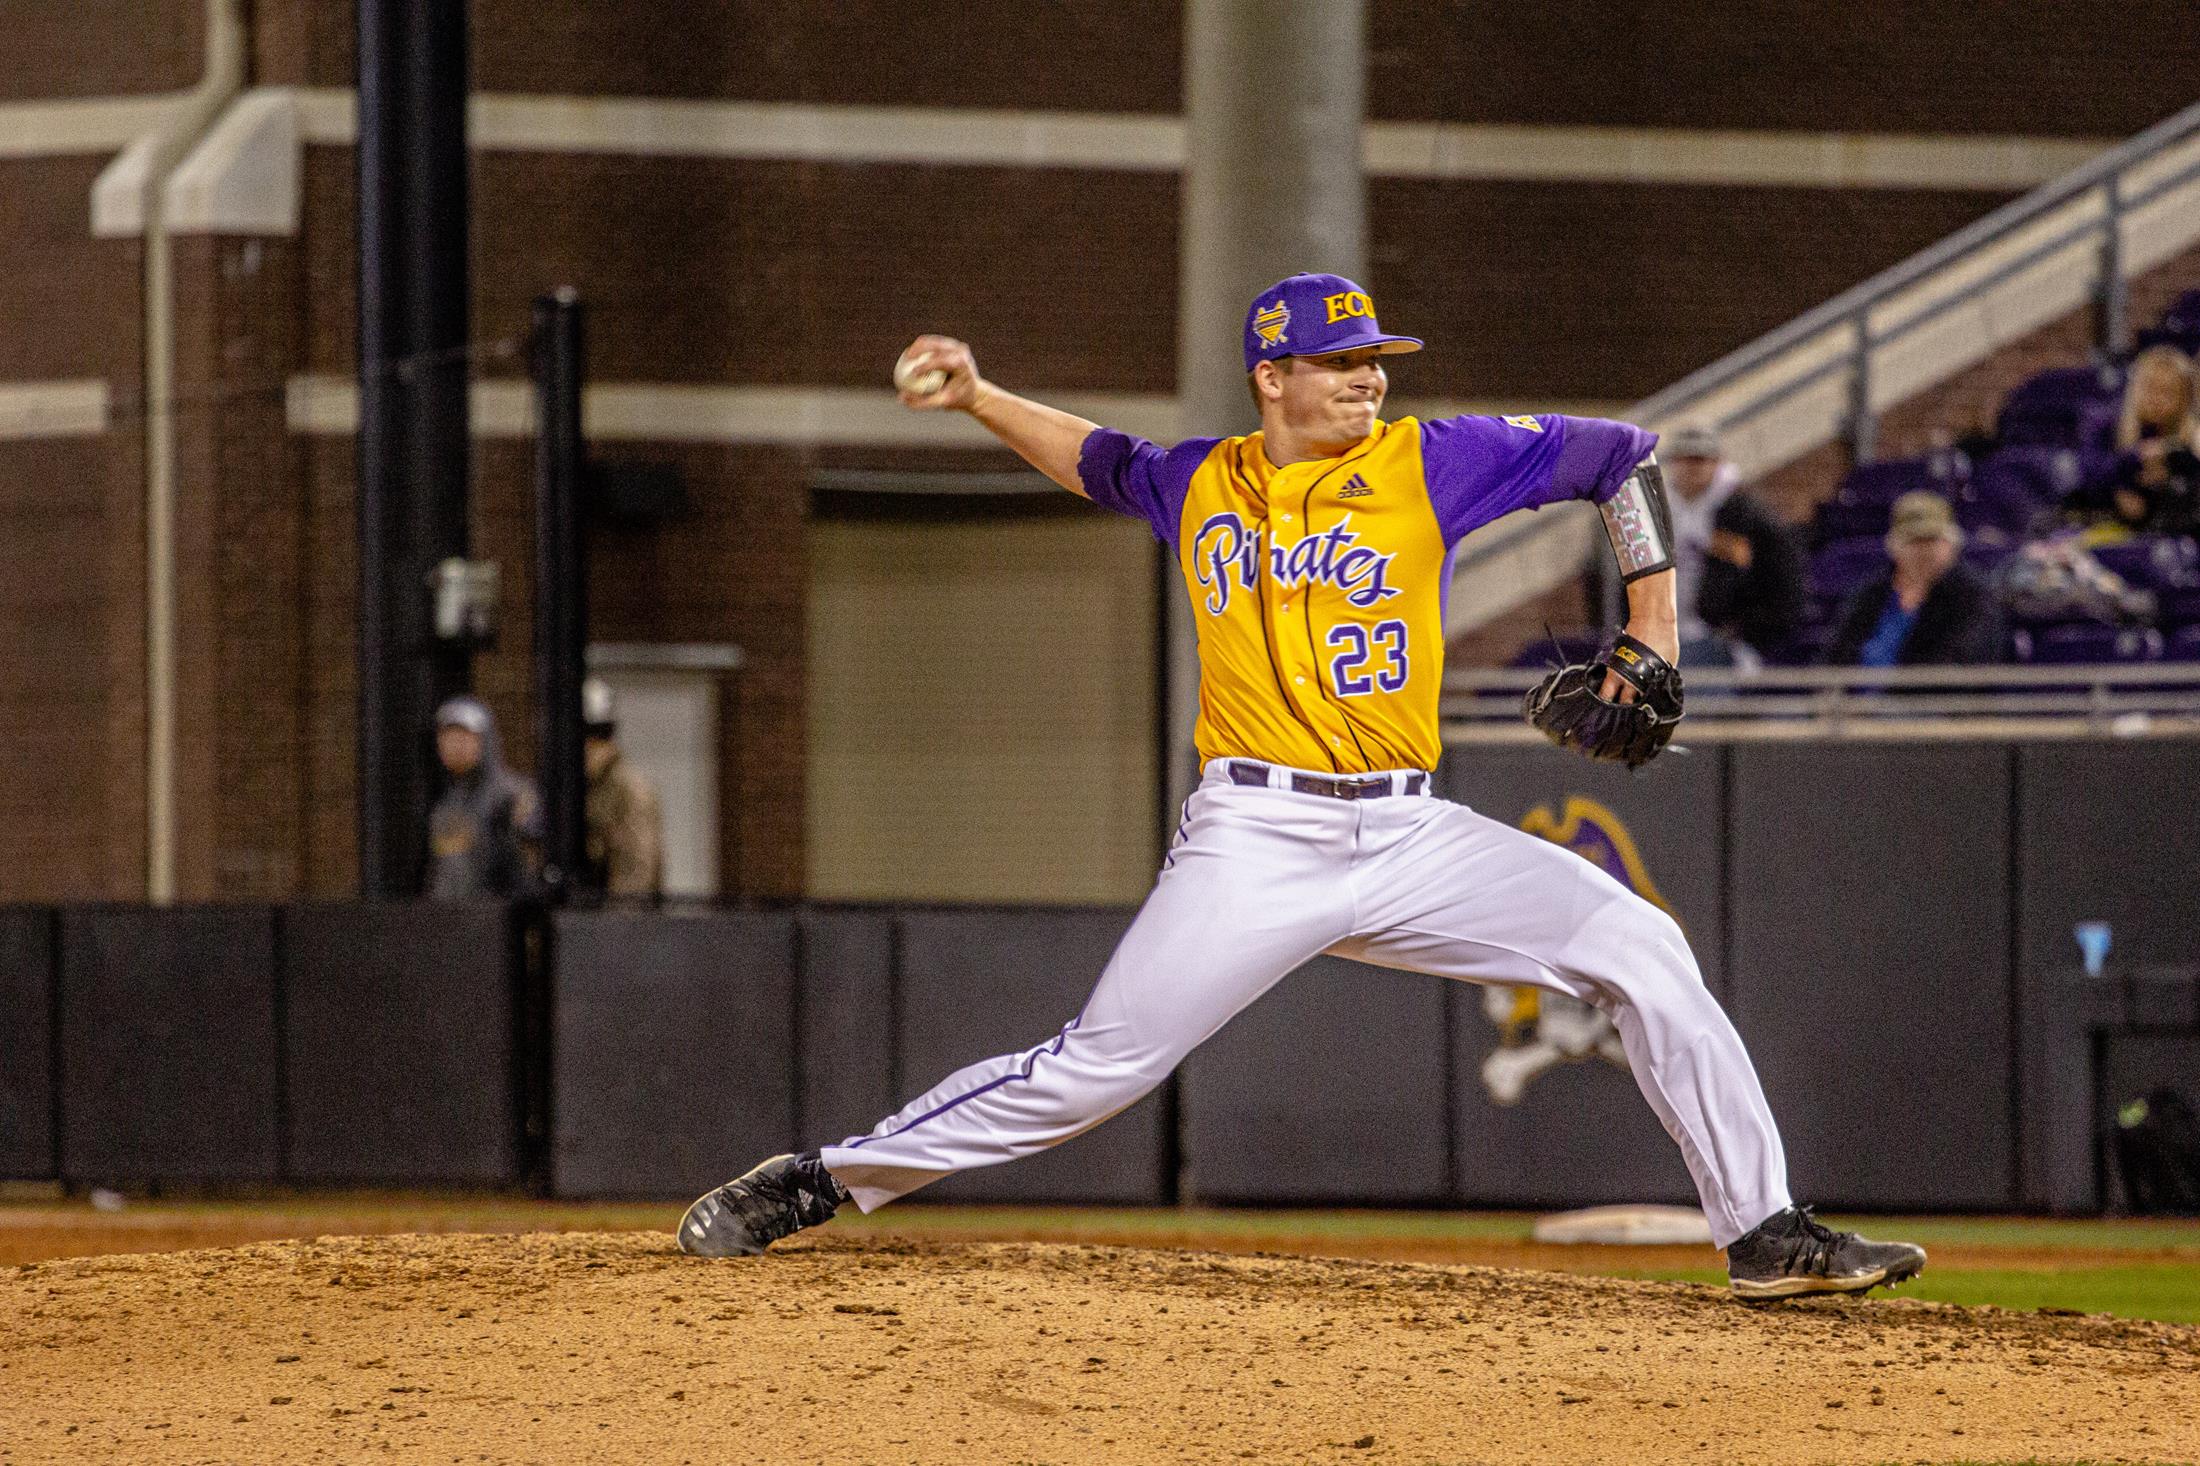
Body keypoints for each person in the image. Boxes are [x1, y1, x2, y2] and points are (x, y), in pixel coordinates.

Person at [679, 272, 1925, 1300]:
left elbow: (1625, 458)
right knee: (1098, 1067)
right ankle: (822, 1178)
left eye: (1374, 357)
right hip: (1254, 835)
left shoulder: (1432, 460)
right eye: (1341, 361)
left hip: (1408, 826)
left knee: (1642, 946)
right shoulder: (1200, 480)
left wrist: (1650, 633)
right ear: (1272, 376)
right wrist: (978, 397)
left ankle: (1760, 1229)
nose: (1368, 377)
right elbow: (1098, 460)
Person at [1661, 424, 1804, 664]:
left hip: (1723, 637)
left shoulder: (1744, 513)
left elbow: (1780, 579)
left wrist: (1744, 631)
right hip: (1664, 626)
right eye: (1685, 458)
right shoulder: (1658, 508)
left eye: (1701, 459)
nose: (1693, 467)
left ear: (1717, 462)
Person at [1823, 491, 2005, 667]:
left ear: (1952, 545)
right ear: (1895, 546)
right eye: (1915, 541)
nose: (1925, 551)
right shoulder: (1871, 594)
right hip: (1855, 697)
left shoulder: (1972, 598)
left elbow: (1961, 662)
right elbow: (1835, 655)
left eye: (1933, 540)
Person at [2063, 345, 2200, 538]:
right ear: (2135, 388)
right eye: (2150, 388)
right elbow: (2086, 474)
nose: (2156, 399)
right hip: (2111, 524)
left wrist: (2167, 481)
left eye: (2168, 392)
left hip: (2170, 537)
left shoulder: (2188, 441)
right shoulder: (2105, 423)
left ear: (2184, 399)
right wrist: (2131, 465)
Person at [425, 696, 542, 900]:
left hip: (498, 918)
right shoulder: (445, 803)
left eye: (464, 736)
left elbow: (529, 868)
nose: (455, 745)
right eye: (448, 736)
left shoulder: (514, 795)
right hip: (449, 919)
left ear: (485, 740)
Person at [582, 676, 665, 901]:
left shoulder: (629, 791)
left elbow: (636, 875)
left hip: (610, 926)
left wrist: (612, 930)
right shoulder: (574, 787)